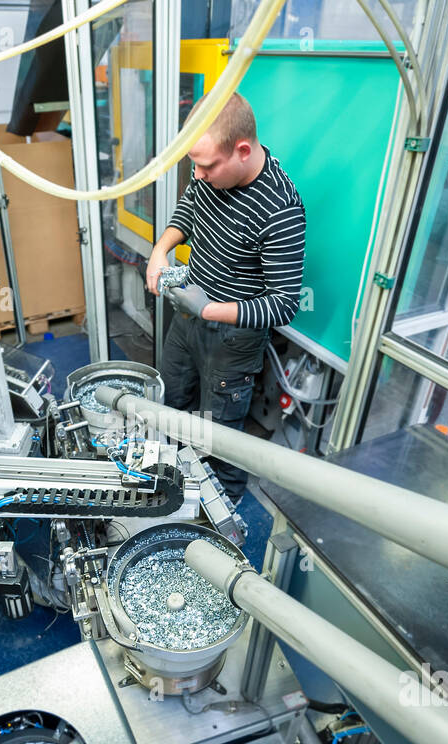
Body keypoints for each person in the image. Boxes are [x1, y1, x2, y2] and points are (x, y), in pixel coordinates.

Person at [145, 92, 306, 503]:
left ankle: (223, 514)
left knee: (219, 438)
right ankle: (175, 483)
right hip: (187, 320)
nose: (198, 175)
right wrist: (161, 250)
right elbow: (190, 206)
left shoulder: (280, 208)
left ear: (243, 150)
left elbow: (284, 303)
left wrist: (208, 309)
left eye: (207, 166)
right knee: (171, 403)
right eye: (193, 165)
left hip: (232, 342)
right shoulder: (210, 172)